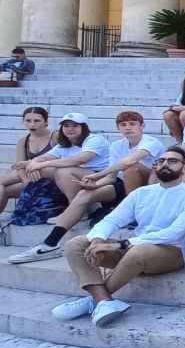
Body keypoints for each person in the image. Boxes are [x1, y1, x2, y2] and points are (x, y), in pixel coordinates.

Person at [51, 147, 185, 327]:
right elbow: (112, 219)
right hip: (133, 248)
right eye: (161, 161)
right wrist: (97, 240)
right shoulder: (141, 193)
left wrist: (121, 244)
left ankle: (94, 300)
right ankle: (105, 301)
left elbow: (174, 232)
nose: (165, 164)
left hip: (172, 251)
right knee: (76, 244)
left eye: (172, 161)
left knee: (137, 251)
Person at [6, 113, 110, 264]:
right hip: (80, 177)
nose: (70, 129)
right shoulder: (64, 145)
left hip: (102, 178)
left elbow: (81, 159)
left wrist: (40, 164)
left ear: (84, 127)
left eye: (75, 125)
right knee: (42, 170)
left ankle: (78, 212)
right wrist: (35, 164)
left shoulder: (95, 139)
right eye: (66, 126)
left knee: (60, 170)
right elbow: (43, 158)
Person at [1, 107, 61, 224]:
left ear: (46, 121)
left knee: (2, 181)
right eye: (28, 121)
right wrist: (25, 182)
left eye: (37, 121)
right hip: (32, 178)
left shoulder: (55, 136)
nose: (32, 124)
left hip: (52, 180)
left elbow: (64, 159)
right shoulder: (23, 141)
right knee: (5, 188)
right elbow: (19, 166)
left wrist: (37, 165)